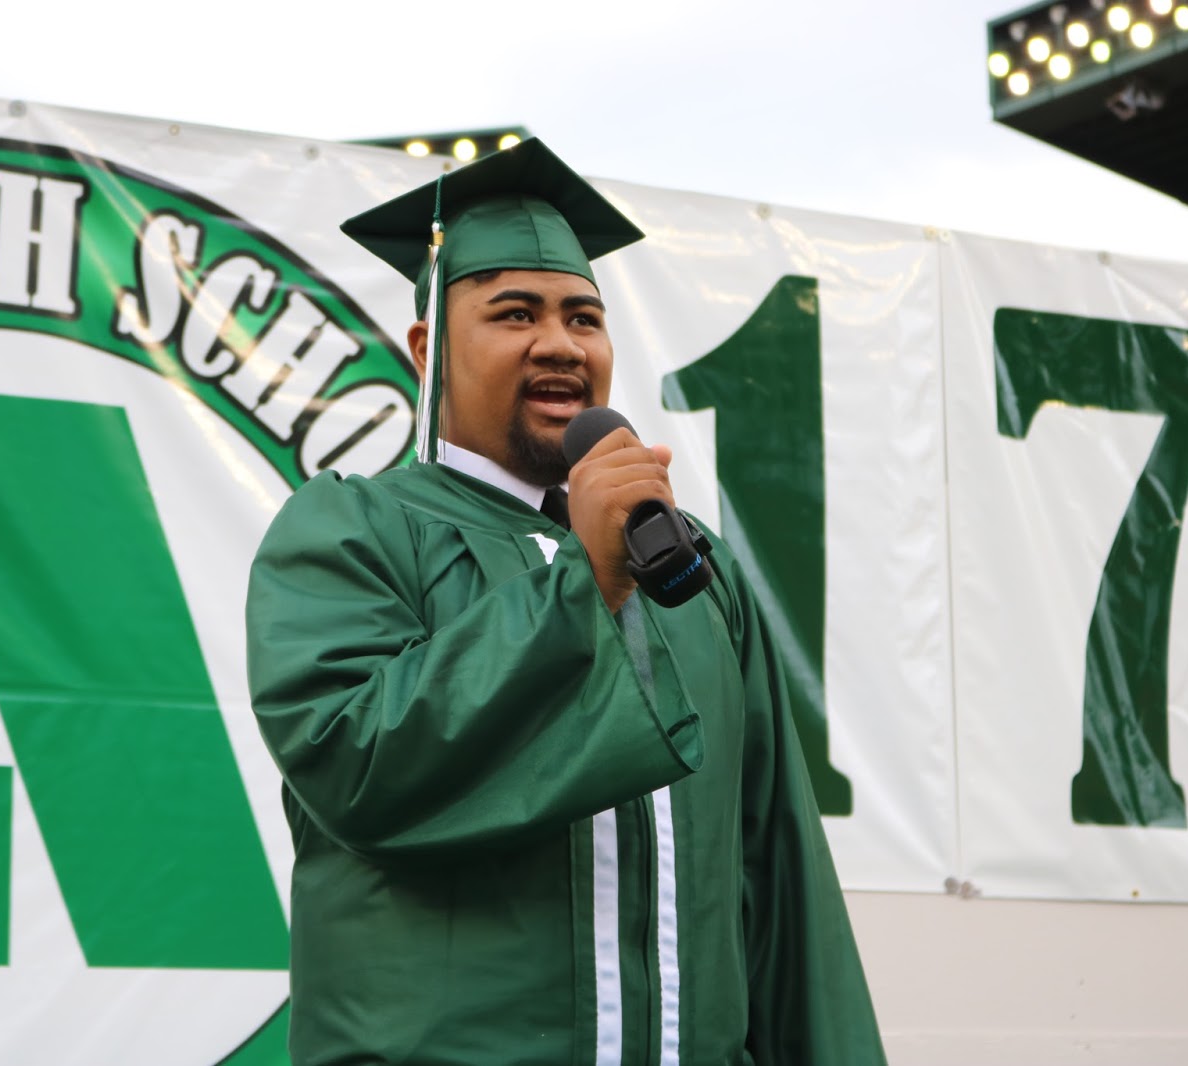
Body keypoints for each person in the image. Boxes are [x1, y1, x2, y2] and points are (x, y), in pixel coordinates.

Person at [246, 138, 884, 1066]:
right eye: (515, 313)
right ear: (427, 349)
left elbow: (781, 878)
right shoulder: (354, 531)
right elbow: (356, 762)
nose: (560, 343)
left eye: (584, 317)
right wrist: (580, 581)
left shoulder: (693, 573)